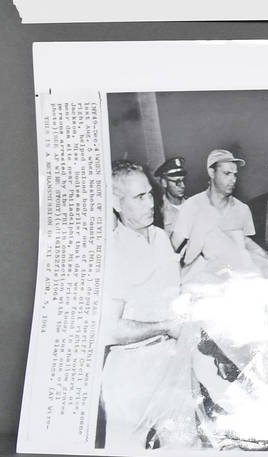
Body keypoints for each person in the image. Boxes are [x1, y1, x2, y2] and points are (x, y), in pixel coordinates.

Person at [102, 161, 192, 448]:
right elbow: (110, 330)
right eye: (139, 197)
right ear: (116, 203)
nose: (150, 203)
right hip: (131, 370)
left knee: (185, 446)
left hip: (171, 360)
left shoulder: (161, 238)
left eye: (150, 194)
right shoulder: (111, 250)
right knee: (126, 449)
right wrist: (167, 326)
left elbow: (170, 295)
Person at [170, 149, 268, 276]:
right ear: (211, 172)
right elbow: (171, 248)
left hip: (238, 279)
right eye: (227, 173)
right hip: (204, 282)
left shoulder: (242, 209)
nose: (233, 180)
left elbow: (247, 244)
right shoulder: (192, 206)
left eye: (235, 174)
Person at [153, 156, 187, 233]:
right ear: (164, 183)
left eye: (183, 180)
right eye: (177, 182)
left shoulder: (193, 205)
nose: (182, 185)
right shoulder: (158, 213)